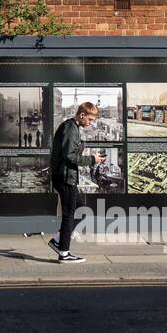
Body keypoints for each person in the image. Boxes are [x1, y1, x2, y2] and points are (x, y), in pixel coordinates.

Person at [49, 102, 98, 263]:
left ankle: (58, 239)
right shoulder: (71, 128)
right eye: (90, 119)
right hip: (65, 177)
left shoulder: (71, 127)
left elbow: (70, 152)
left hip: (65, 176)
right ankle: (64, 252)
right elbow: (70, 156)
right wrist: (92, 159)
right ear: (82, 114)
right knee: (69, 215)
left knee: (82, 209)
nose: (91, 122)